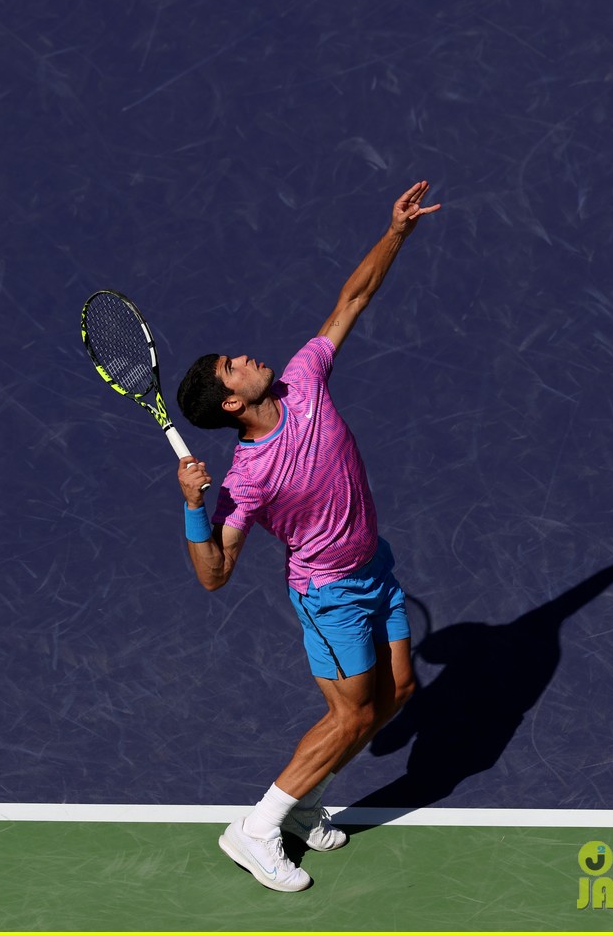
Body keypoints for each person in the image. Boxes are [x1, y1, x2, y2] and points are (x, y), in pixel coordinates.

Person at [175, 181, 441, 892]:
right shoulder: (250, 477)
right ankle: (258, 828)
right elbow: (215, 575)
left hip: (374, 566)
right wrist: (194, 508)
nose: (251, 357)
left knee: (402, 689)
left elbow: (351, 299)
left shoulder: (303, 379)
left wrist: (396, 233)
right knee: (352, 716)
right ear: (232, 402)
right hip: (331, 594)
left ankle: (301, 804)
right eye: (236, 365)